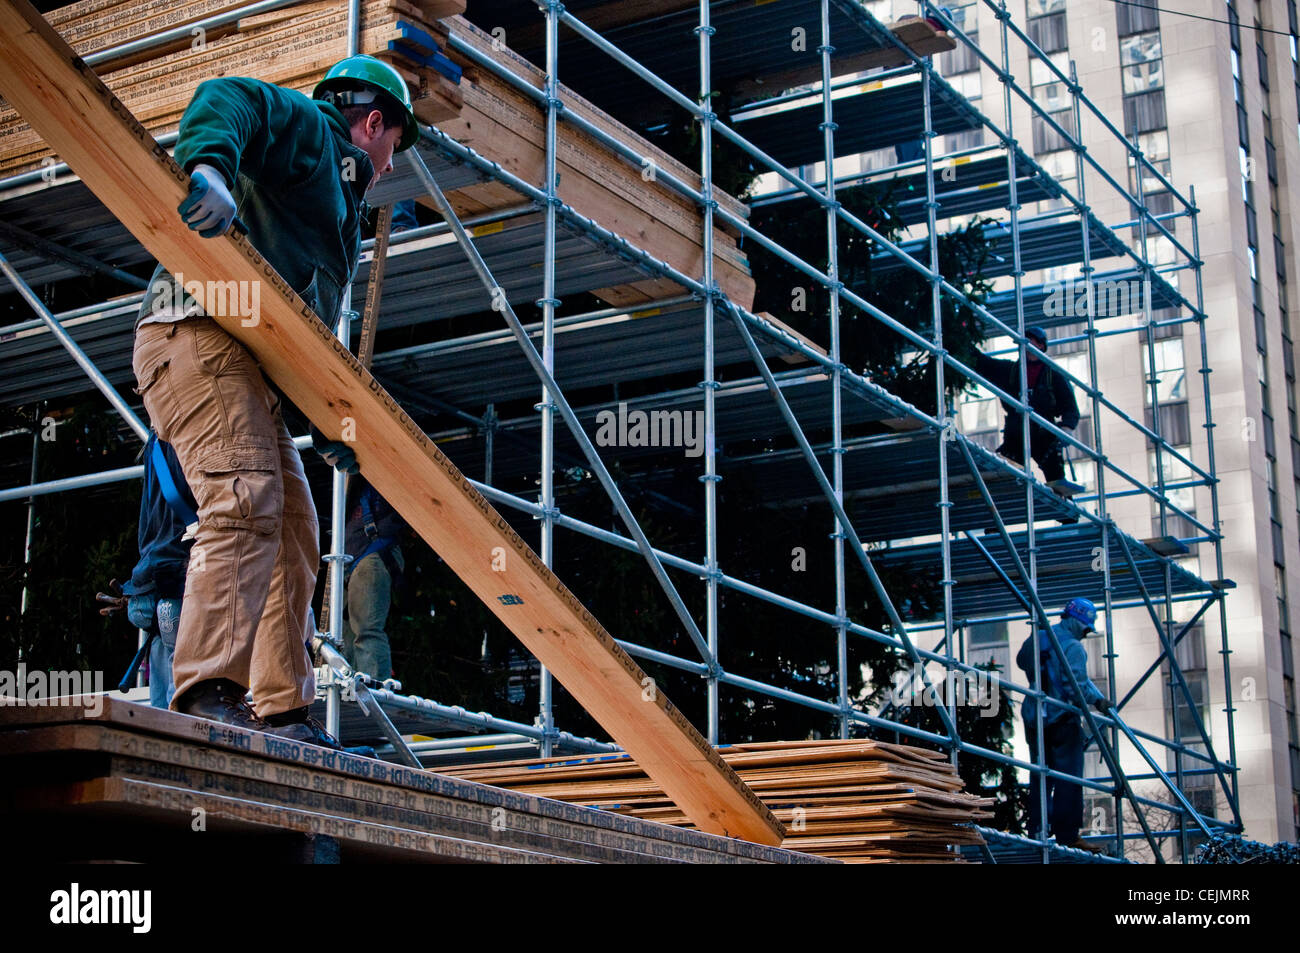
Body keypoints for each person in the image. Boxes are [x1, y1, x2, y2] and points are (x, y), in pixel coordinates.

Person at [129, 54, 419, 746]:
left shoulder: (337, 213)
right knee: (246, 494)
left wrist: (332, 421)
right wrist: (209, 170)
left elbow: (299, 335)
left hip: (243, 361)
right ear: (373, 123)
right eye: (392, 151)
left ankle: (283, 709)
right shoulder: (317, 132)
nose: (388, 168)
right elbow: (229, 97)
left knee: (297, 527)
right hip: (193, 329)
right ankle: (205, 691)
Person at [1015, 596, 1111, 852]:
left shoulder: (1040, 636)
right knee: (1068, 778)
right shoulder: (1073, 647)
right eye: (1087, 627)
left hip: (1035, 715)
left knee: (1041, 774)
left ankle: (1038, 829)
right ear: (1079, 621)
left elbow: (1022, 661)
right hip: (1061, 718)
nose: (1087, 633)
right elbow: (1076, 687)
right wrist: (1097, 702)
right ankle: (1067, 835)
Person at [122, 436, 197, 709]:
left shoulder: (154, 445)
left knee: (162, 707)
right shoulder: (189, 437)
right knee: (182, 705)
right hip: (179, 575)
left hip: (150, 580)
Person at [975, 325, 1080, 487]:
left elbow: (1070, 407)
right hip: (1016, 433)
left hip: (1043, 432)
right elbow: (982, 363)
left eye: (1032, 343)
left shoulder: (1053, 375)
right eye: (1024, 344)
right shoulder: (1010, 371)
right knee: (1007, 475)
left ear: (1041, 346)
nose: (1027, 348)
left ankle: (1061, 497)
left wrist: (1066, 428)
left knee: (1055, 476)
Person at [341, 478, 407, 681]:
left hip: (374, 552)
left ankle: (375, 690)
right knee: (343, 637)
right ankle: (346, 692)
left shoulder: (389, 473)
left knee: (366, 629)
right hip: (349, 557)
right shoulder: (353, 477)